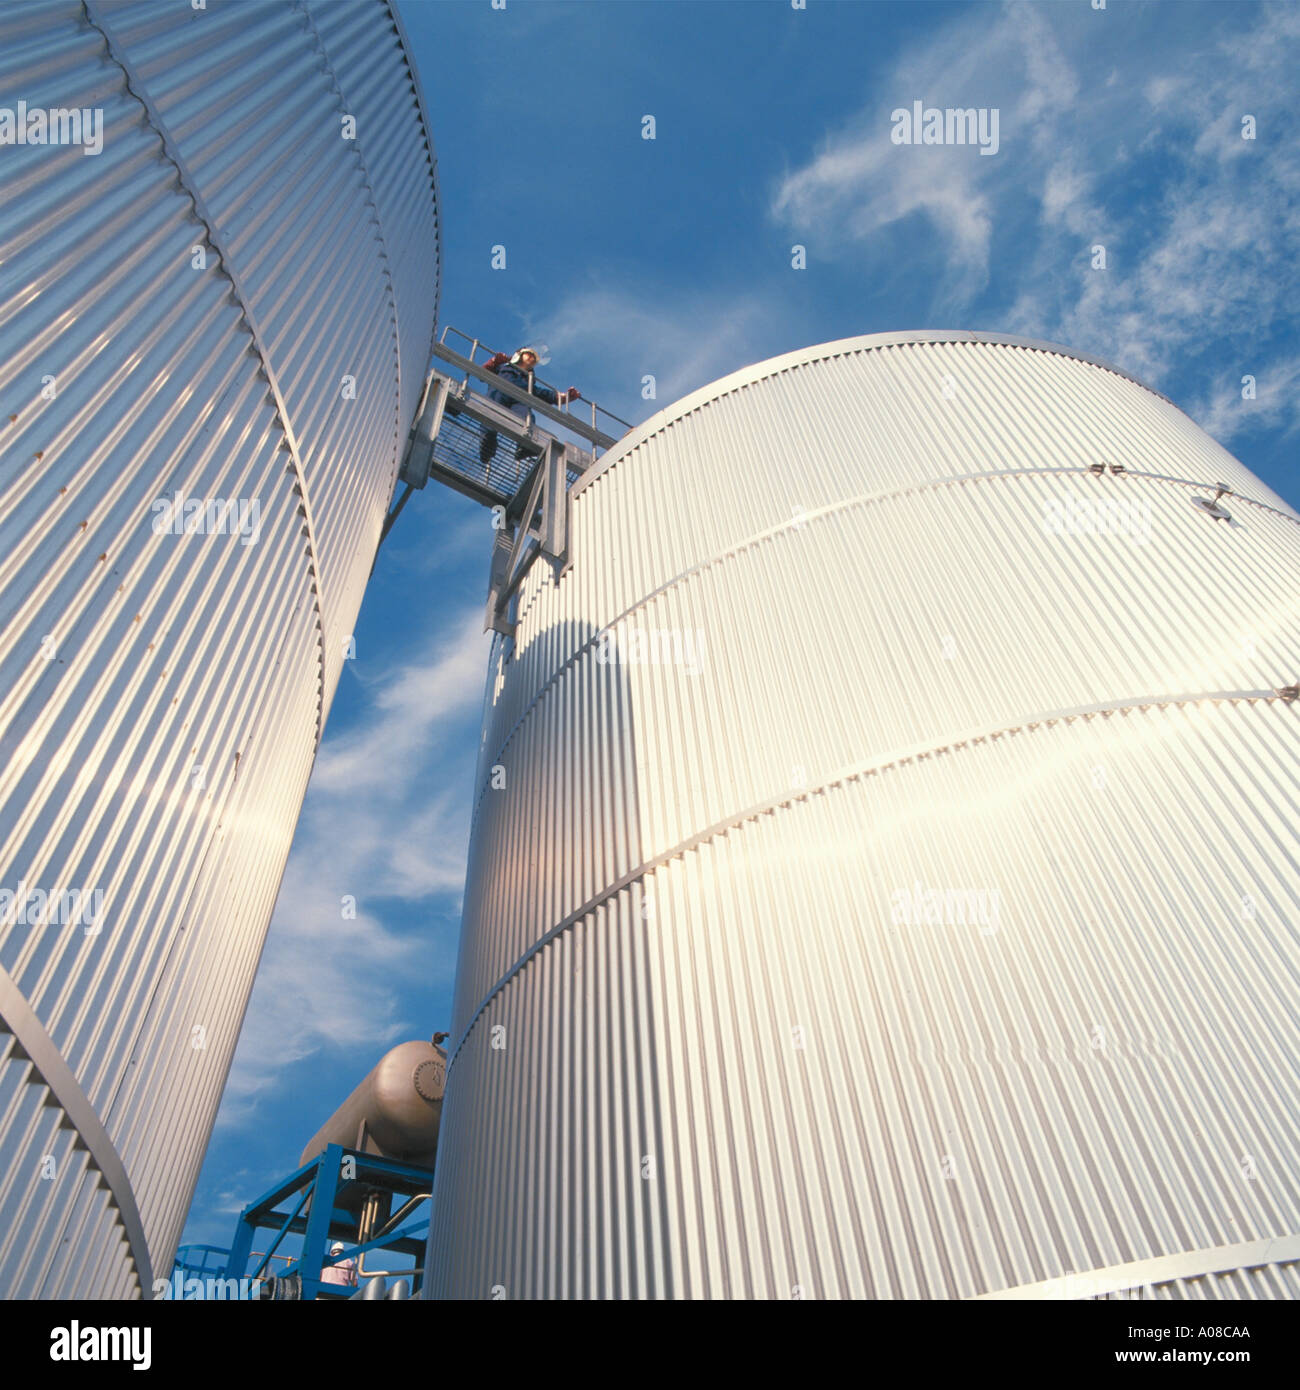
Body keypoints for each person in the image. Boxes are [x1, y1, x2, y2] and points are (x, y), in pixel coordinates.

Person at [478, 346, 581, 466]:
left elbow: (545, 395)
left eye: (534, 358)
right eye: (529, 354)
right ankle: (487, 447)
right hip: (499, 393)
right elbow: (483, 373)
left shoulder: (529, 382)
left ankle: (524, 447)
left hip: (519, 399)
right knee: (490, 418)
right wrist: (494, 361)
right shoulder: (503, 367)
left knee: (527, 417)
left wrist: (565, 397)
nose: (532, 358)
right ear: (519, 355)